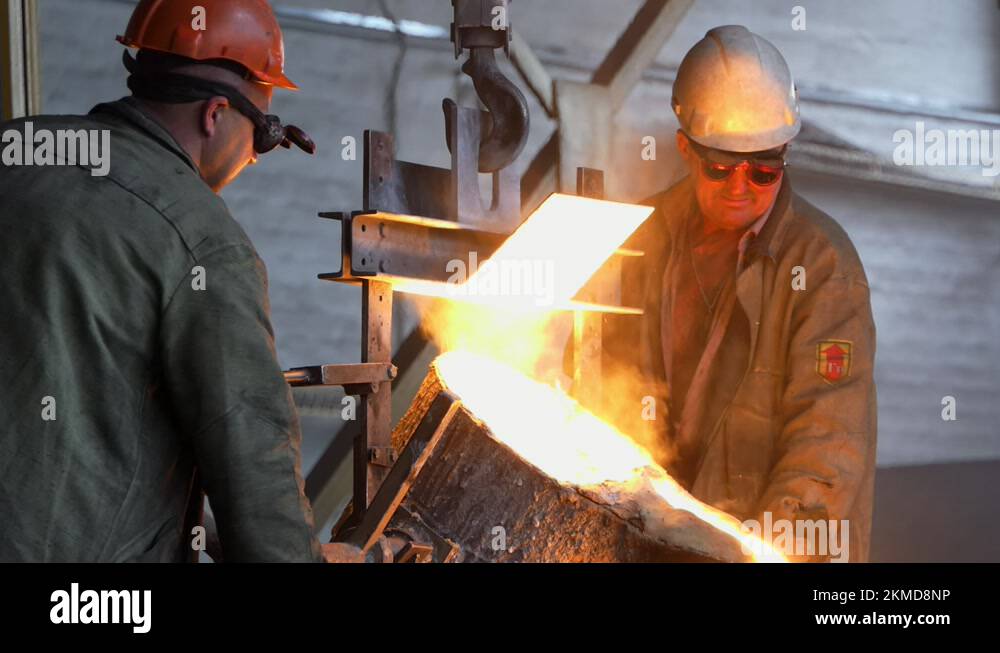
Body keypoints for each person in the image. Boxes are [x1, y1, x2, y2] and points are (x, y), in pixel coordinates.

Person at [0, 0, 354, 562]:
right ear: (215, 115)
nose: (256, 160)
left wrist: (196, 526)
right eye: (264, 136)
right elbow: (252, 459)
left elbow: (71, 423)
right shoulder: (201, 241)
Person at [607, 25, 877, 561]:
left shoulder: (822, 266)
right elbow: (600, 382)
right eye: (721, 166)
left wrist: (758, 551)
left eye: (763, 170)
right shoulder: (640, 238)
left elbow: (827, 447)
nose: (739, 187)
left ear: (785, 154)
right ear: (686, 148)